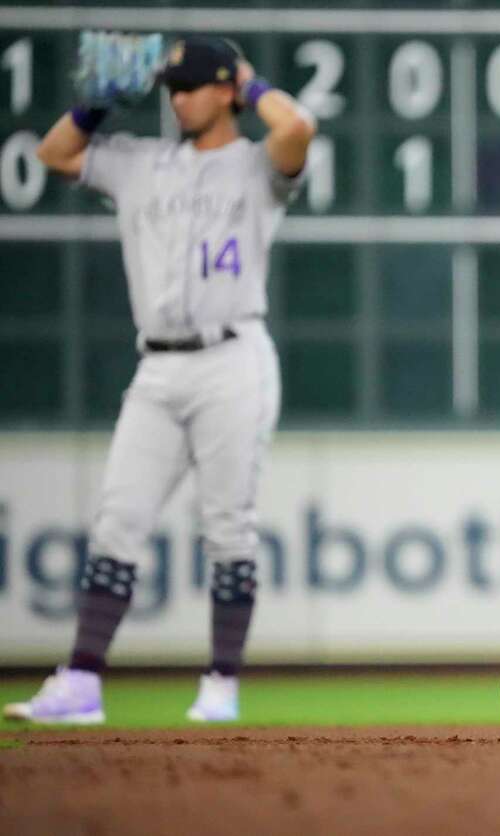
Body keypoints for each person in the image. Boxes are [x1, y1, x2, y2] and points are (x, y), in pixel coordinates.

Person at [2, 36, 315, 724]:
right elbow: (51, 154)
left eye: (194, 84)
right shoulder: (138, 164)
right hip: (158, 365)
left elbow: (298, 127)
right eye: (172, 86)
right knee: (118, 520)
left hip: (233, 358)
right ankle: (81, 681)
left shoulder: (257, 166)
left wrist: (252, 79)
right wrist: (92, 105)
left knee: (227, 526)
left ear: (225, 90)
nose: (178, 97)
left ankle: (221, 684)